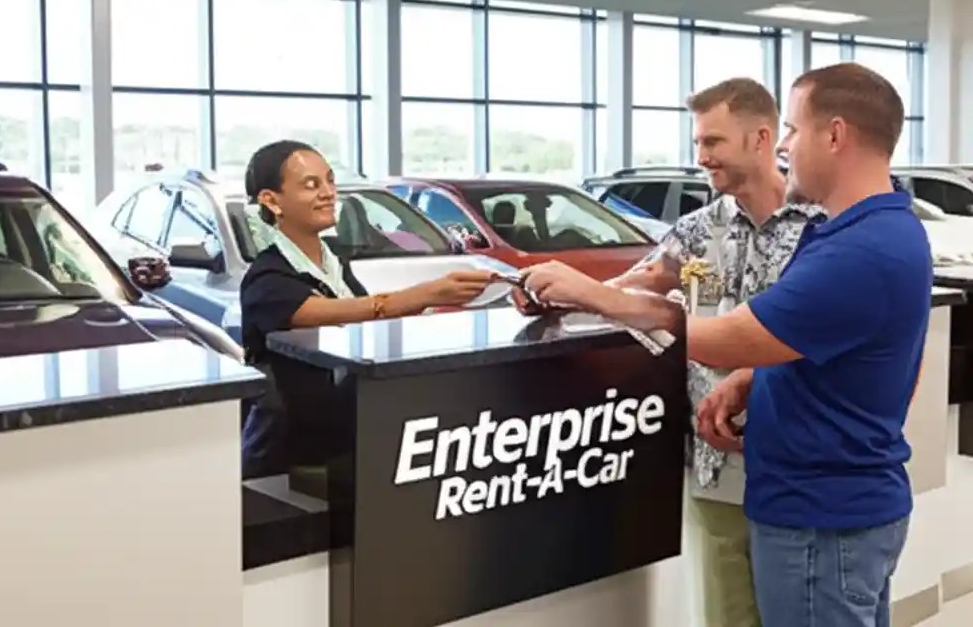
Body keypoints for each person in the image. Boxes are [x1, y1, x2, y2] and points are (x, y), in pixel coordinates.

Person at [518, 62, 930, 627]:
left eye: (793, 129)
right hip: (757, 481)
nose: (787, 144)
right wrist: (755, 377)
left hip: (819, 510)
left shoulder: (852, 246)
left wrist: (596, 296)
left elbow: (734, 338)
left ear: (832, 136)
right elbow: (806, 341)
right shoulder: (843, 232)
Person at [601, 77, 821, 627]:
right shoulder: (697, 231)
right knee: (727, 616)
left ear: (762, 138)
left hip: (800, 464)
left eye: (713, 142)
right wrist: (561, 296)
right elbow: (641, 283)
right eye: (699, 143)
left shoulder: (823, 228)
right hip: (715, 463)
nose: (702, 157)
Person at [239, 140, 493, 477]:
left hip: (342, 442)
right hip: (287, 459)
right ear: (271, 200)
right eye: (311, 185)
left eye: (330, 180)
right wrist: (428, 293)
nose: (328, 192)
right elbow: (337, 313)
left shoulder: (334, 263)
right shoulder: (268, 277)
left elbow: (368, 328)